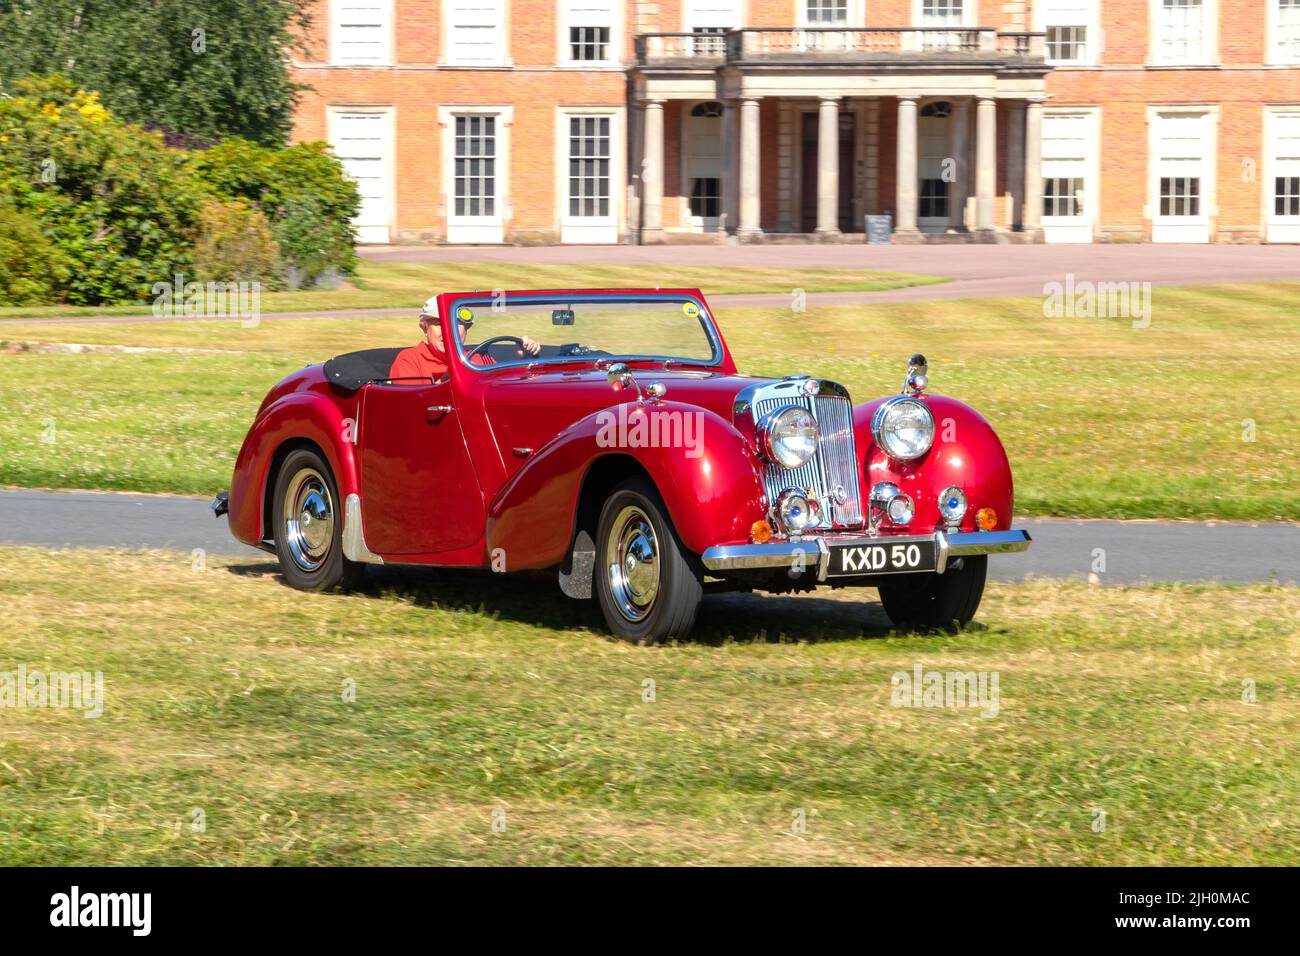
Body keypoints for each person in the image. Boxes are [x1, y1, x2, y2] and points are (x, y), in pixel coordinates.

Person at [389, 296, 540, 381]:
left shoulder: (478, 360)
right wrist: (448, 380)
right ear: (424, 328)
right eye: (440, 324)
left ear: (467, 330)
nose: (449, 332)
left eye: (457, 324)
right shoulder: (409, 360)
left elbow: (505, 393)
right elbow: (411, 408)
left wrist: (524, 361)